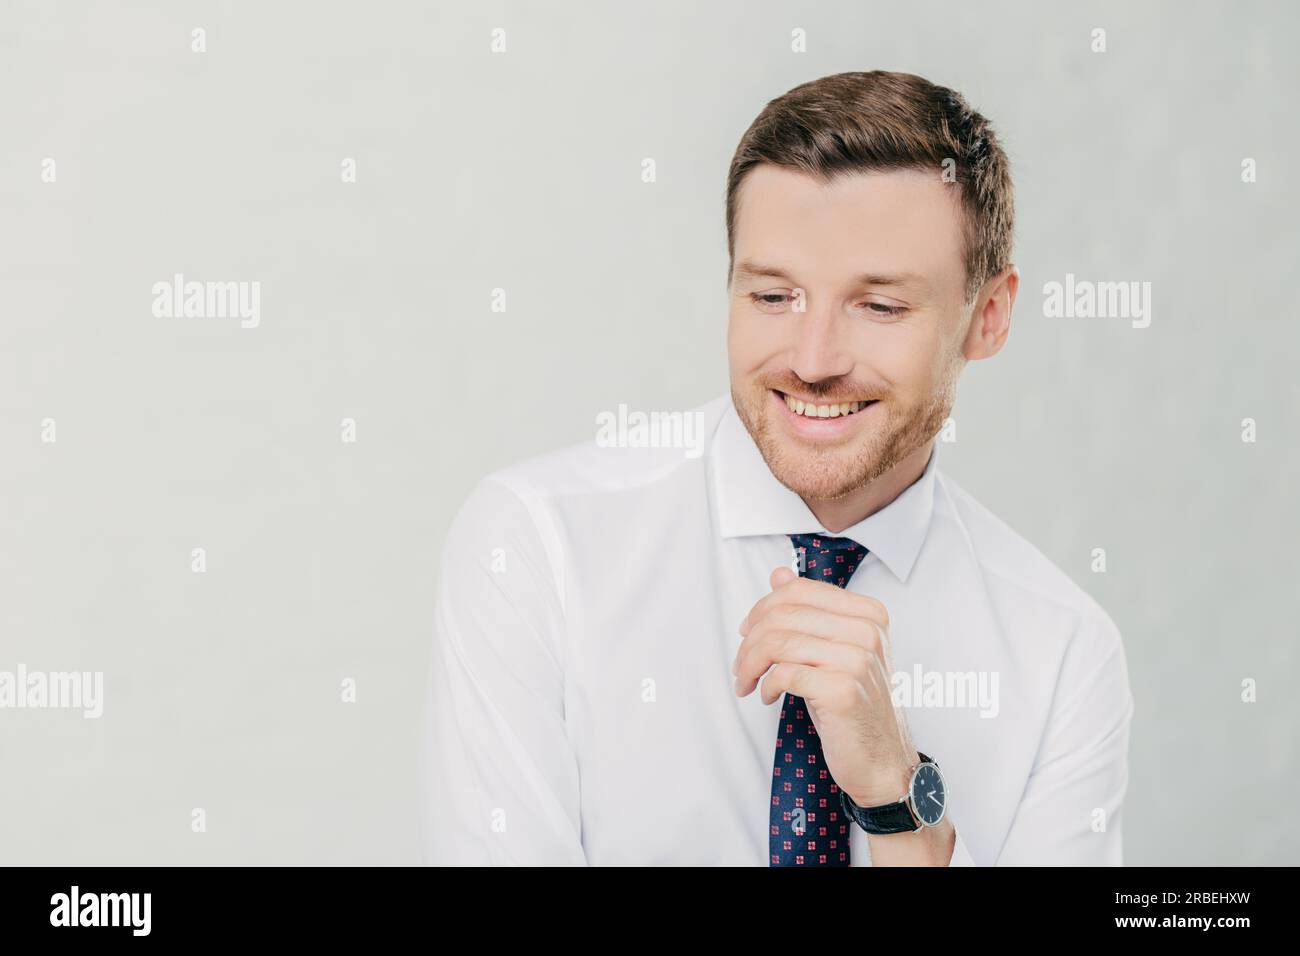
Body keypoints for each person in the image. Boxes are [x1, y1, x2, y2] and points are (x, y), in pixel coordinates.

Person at [418, 70, 1133, 866]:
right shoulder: (537, 546)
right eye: (773, 296)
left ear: (989, 316)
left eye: (880, 306)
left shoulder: (1065, 656)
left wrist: (898, 800)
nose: (814, 360)